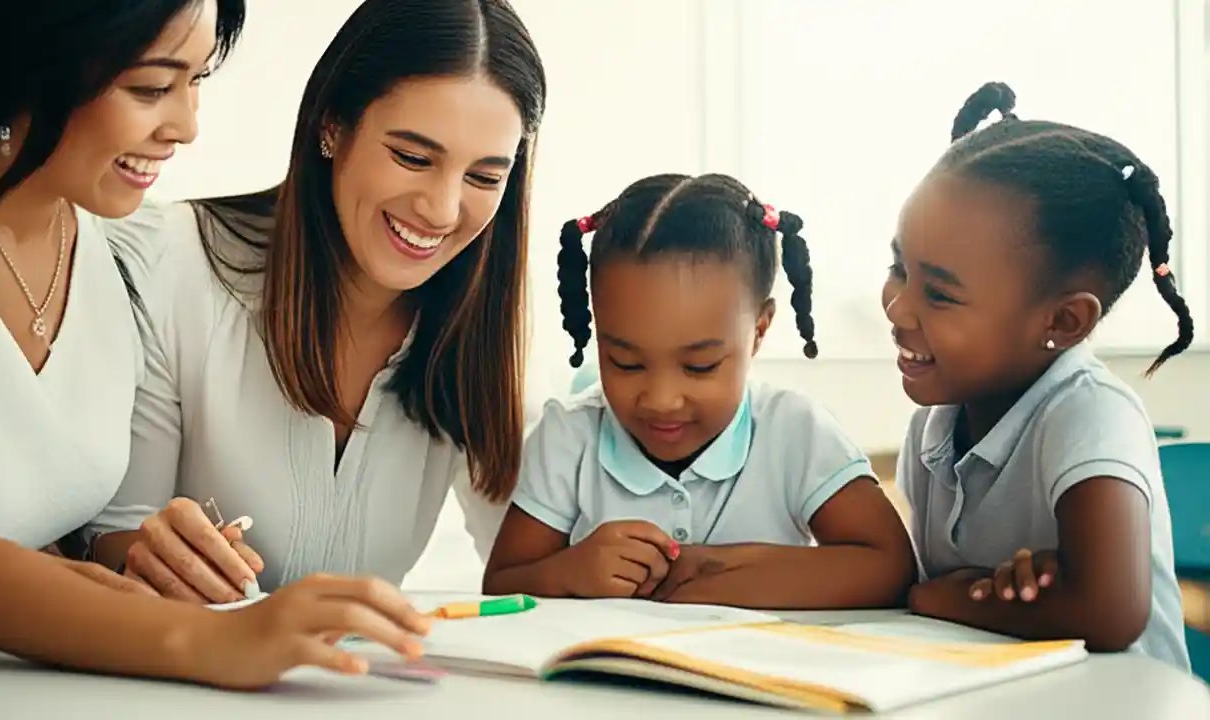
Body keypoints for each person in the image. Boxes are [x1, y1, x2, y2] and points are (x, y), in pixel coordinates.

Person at [0, 1, 433, 688]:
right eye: (151, 88)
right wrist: (215, 638)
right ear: (28, 55)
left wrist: (147, 558)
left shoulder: (111, 254)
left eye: (198, 80)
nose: (187, 126)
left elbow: (38, 536)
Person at [88, 0, 547, 605]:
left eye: (485, 177)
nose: (441, 210)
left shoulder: (473, 329)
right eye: (412, 157)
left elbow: (528, 561)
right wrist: (158, 557)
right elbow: (110, 537)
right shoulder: (169, 265)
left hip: (358, 690)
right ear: (332, 125)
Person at [482, 173, 916, 608]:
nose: (662, 399)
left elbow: (890, 568)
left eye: (700, 366)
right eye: (625, 362)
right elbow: (500, 583)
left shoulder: (796, 432)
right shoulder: (568, 437)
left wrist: (722, 573)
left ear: (759, 330)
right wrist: (568, 572)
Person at [888, 82, 1192, 670]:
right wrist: (967, 596)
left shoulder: (1090, 412)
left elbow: (1107, 611)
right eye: (898, 268)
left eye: (941, 294)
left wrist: (941, 596)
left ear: (1063, 320)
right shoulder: (932, 426)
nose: (898, 310)